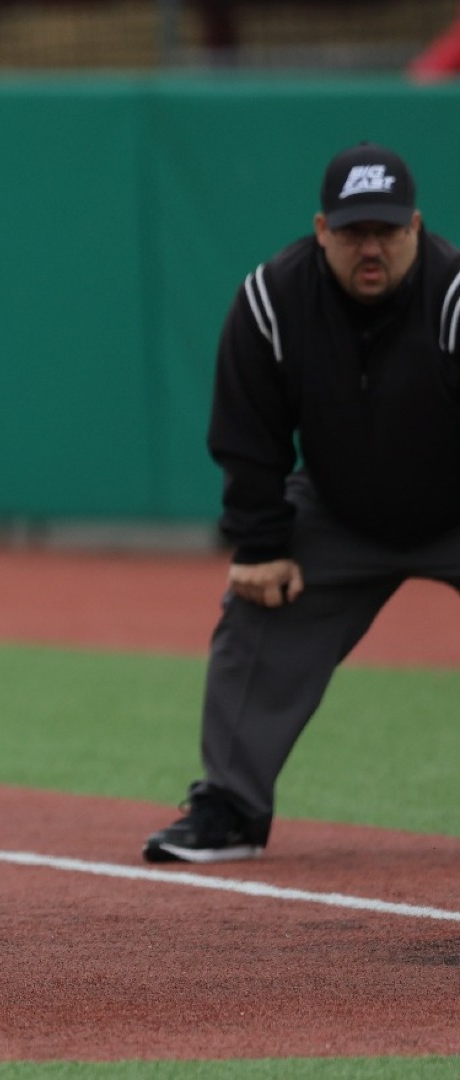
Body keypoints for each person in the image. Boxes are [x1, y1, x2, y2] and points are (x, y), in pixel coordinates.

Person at [142, 142, 460, 864]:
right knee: (259, 607)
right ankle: (229, 805)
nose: (369, 248)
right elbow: (247, 433)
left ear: (417, 226)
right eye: (352, 233)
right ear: (322, 230)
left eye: (386, 230)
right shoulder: (272, 300)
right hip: (339, 508)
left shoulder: (455, 296)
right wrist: (259, 543)